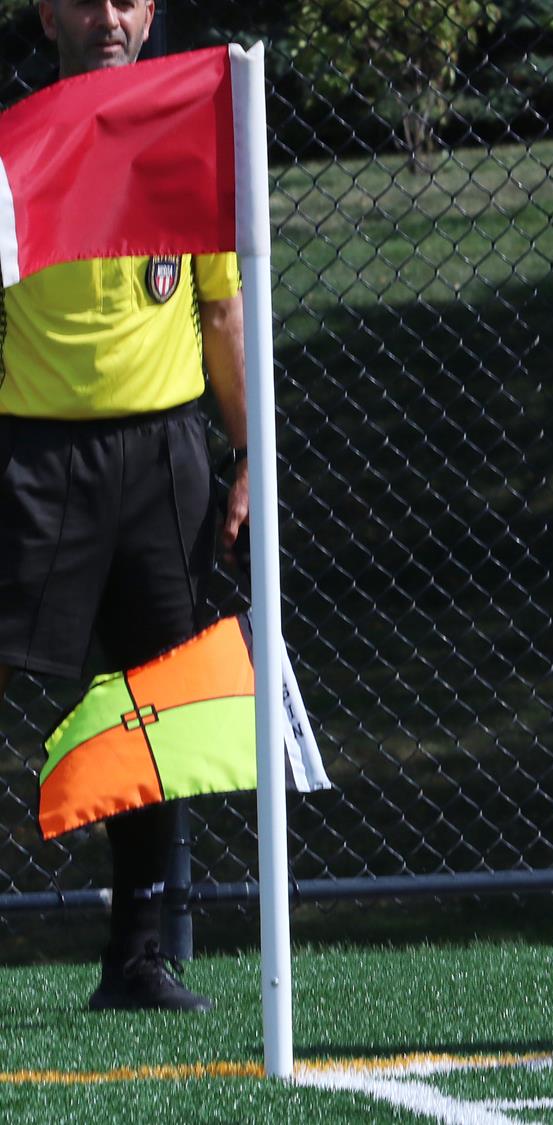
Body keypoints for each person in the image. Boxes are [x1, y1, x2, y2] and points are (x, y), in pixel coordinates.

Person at [0, 0, 247, 1012]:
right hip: (33, 455)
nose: (108, 18)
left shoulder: (190, 128)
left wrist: (251, 451)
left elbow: (222, 311)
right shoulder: (14, 148)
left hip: (165, 455)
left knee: (160, 708)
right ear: (46, 11)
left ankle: (136, 955)